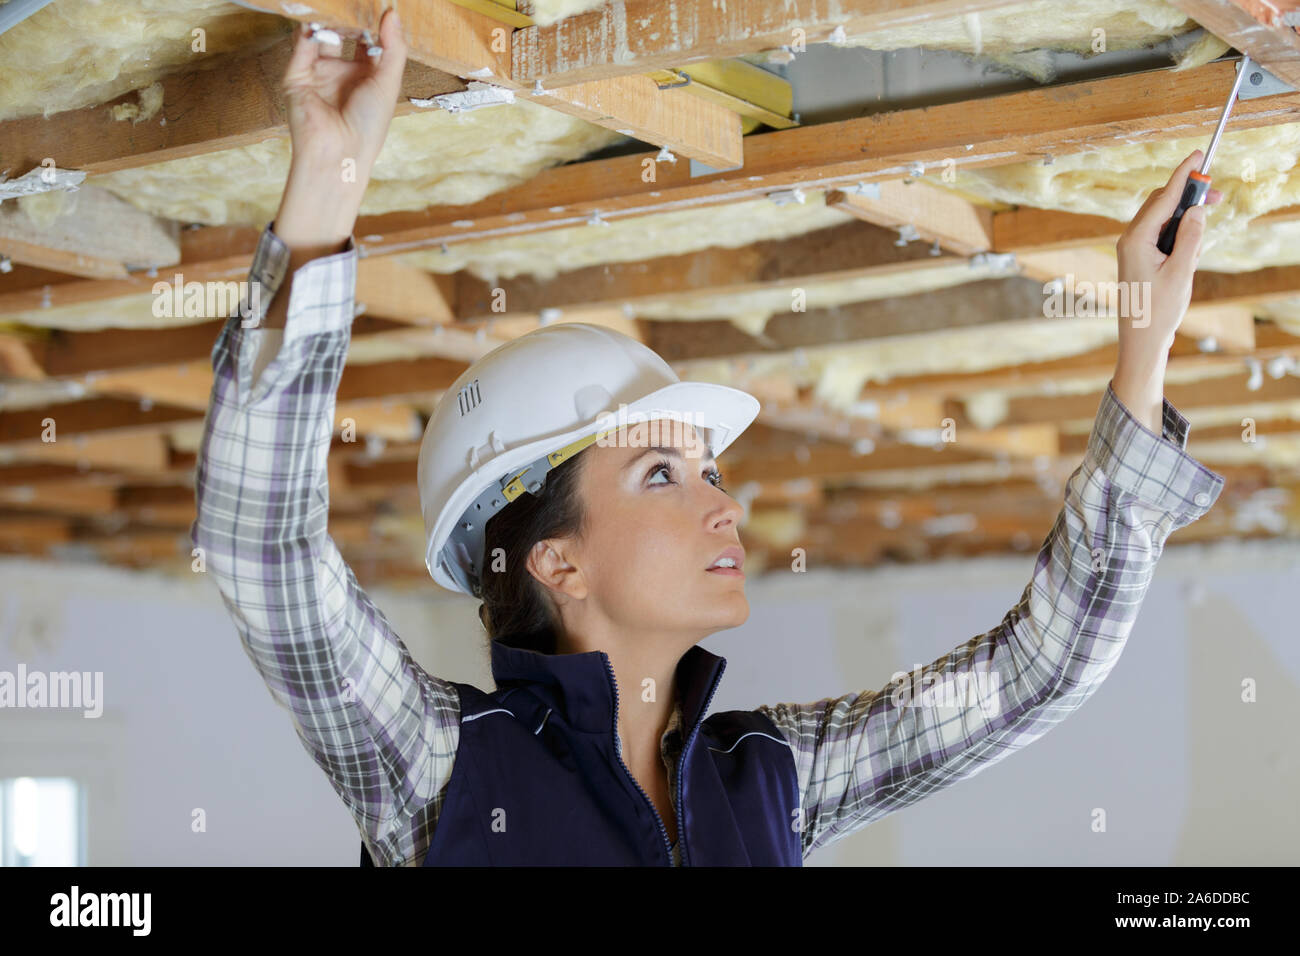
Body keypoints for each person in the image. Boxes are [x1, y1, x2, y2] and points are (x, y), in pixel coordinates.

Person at [191, 9, 1226, 866]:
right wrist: (327, 181)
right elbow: (261, 548)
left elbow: (1029, 676)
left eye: (702, 469)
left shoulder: (769, 776)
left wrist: (1145, 344)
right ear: (555, 558)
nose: (724, 503)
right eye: (663, 470)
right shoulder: (444, 770)